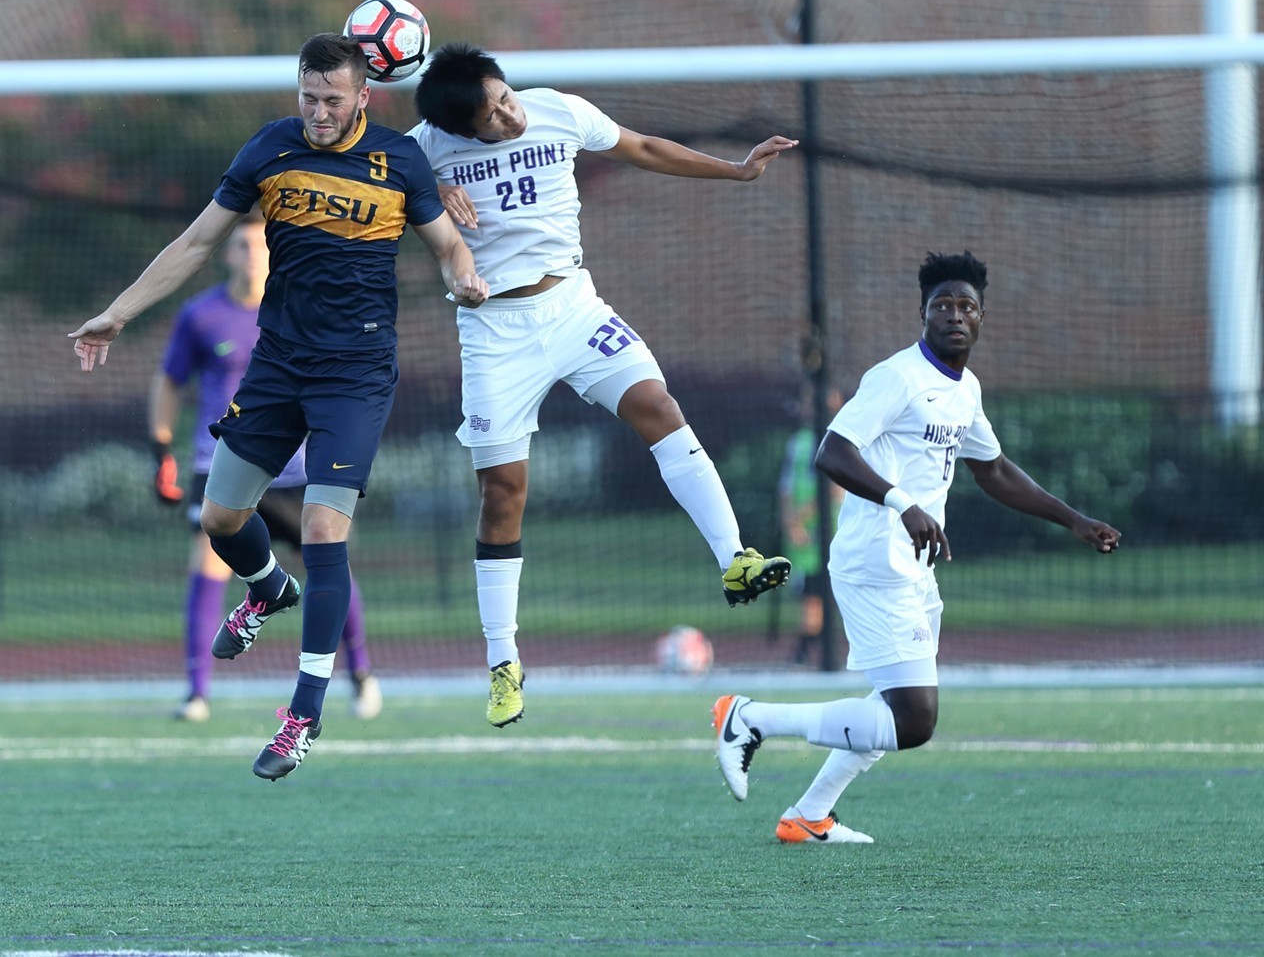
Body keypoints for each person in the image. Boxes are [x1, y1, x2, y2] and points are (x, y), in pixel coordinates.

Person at [71, 33, 488, 781]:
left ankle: (302, 715)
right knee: (222, 519)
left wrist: (464, 278)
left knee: (327, 530)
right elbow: (198, 241)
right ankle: (267, 587)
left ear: (365, 96)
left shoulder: (400, 161)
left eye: (333, 99)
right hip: (278, 366)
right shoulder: (270, 149)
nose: (319, 112)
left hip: (356, 372)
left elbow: (448, 247)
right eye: (308, 98)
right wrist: (119, 311)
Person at [408, 42, 798, 728]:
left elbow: (643, 147)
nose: (509, 117)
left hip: (576, 307)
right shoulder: (423, 148)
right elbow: (375, 179)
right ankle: (503, 661)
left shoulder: (558, 110)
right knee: (503, 493)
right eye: (491, 119)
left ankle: (734, 559)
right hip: (496, 331)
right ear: (460, 131)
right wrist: (428, 188)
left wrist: (736, 173)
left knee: (657, 405)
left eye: (505, 99)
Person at [712, 251, 1121, 843]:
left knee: (891, 708)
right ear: (923, 314)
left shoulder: (964, 388)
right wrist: (903, 503)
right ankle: (749, 719)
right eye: (943, 306)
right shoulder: (897, 377)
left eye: (967, 306)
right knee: (913, 720)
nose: (955, 315)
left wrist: (1073, 519)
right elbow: (833, 451)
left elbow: (995, 469)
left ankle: (808, 817)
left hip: (912, 567)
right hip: (875, 561)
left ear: (982, 318)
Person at [150, 213, 381, 725]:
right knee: (207, 561)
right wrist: (160, 448)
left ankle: (362, 675)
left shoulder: (301, 310)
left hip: (297, 469)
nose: (251, 254)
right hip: (222, 462)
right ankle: (197, 693)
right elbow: (169, 381)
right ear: (228, 254)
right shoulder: (200, 316)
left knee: (327, 562)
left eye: (260, 246)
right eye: (240, 246)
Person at [778, 384, 845, 668]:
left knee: (823, 596)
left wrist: (799, 519)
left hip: (829, 532)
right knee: (810, 595)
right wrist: (790, 522)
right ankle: (807, 653)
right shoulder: (800, 441)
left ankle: (805, 654)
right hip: (804, 534)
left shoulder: (839, 440)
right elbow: (786, 486)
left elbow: (835, 488)